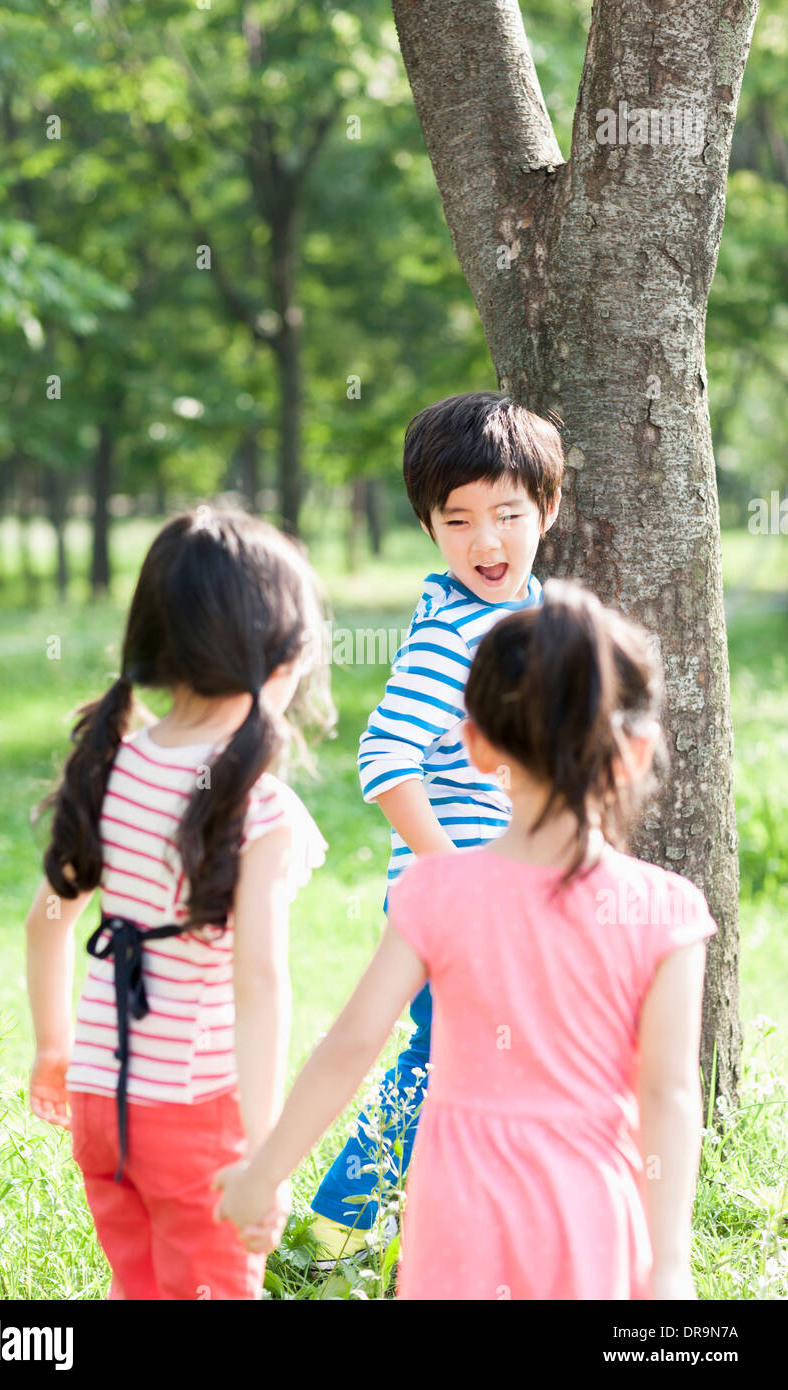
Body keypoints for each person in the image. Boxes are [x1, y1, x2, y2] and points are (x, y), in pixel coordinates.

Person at [217, 579, 718, 1300]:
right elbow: (669, 1092)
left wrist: (263, 1175)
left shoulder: (434, 893)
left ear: (476, 744)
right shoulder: (666, 912)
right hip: (591, 1217)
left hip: (458, 1213)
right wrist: (668, 1265)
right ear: (637, 752)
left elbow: (353, 1046)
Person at [25, 507, 333, 1300]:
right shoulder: (260, 810)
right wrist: (262, 1158)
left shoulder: (111, 762)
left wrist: (53, 1050)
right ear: (281, 655)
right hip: (193, 1112)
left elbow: (47, 920)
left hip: (100, 1098)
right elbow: (258, 985)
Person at [309, 392, 564, 1256]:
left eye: (506, 514)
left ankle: (473, 1228)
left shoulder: (536, 613)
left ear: (548, 510)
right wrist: (455, 873)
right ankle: (335, 1233)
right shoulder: (452, 635)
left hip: (516, 898)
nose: (485, 543)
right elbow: (384, 760)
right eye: (457, 522)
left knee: (490, 1063)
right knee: (438, 1065)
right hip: (455, 896)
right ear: (427, 526)